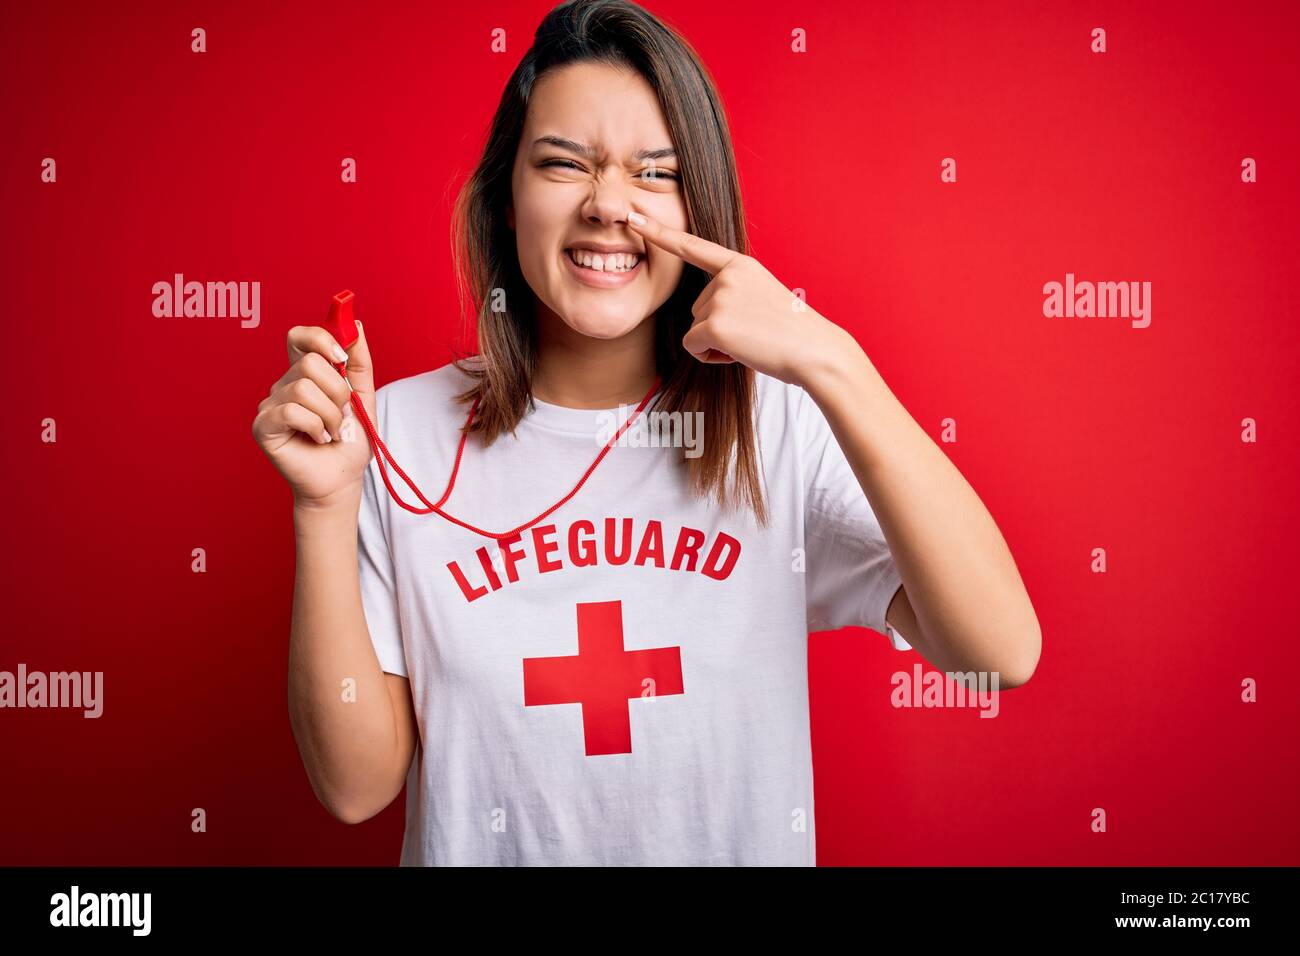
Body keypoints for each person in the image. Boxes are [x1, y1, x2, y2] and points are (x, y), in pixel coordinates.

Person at [252, 0, 1041, 866]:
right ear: (506, 200)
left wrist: (834, 362)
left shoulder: (775, 422)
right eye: (562, 163)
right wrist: (324, 507)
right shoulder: (397, 432)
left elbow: (998, 653)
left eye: (654, 173)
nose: (609, 206)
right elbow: (355, 789)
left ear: (701, 204)